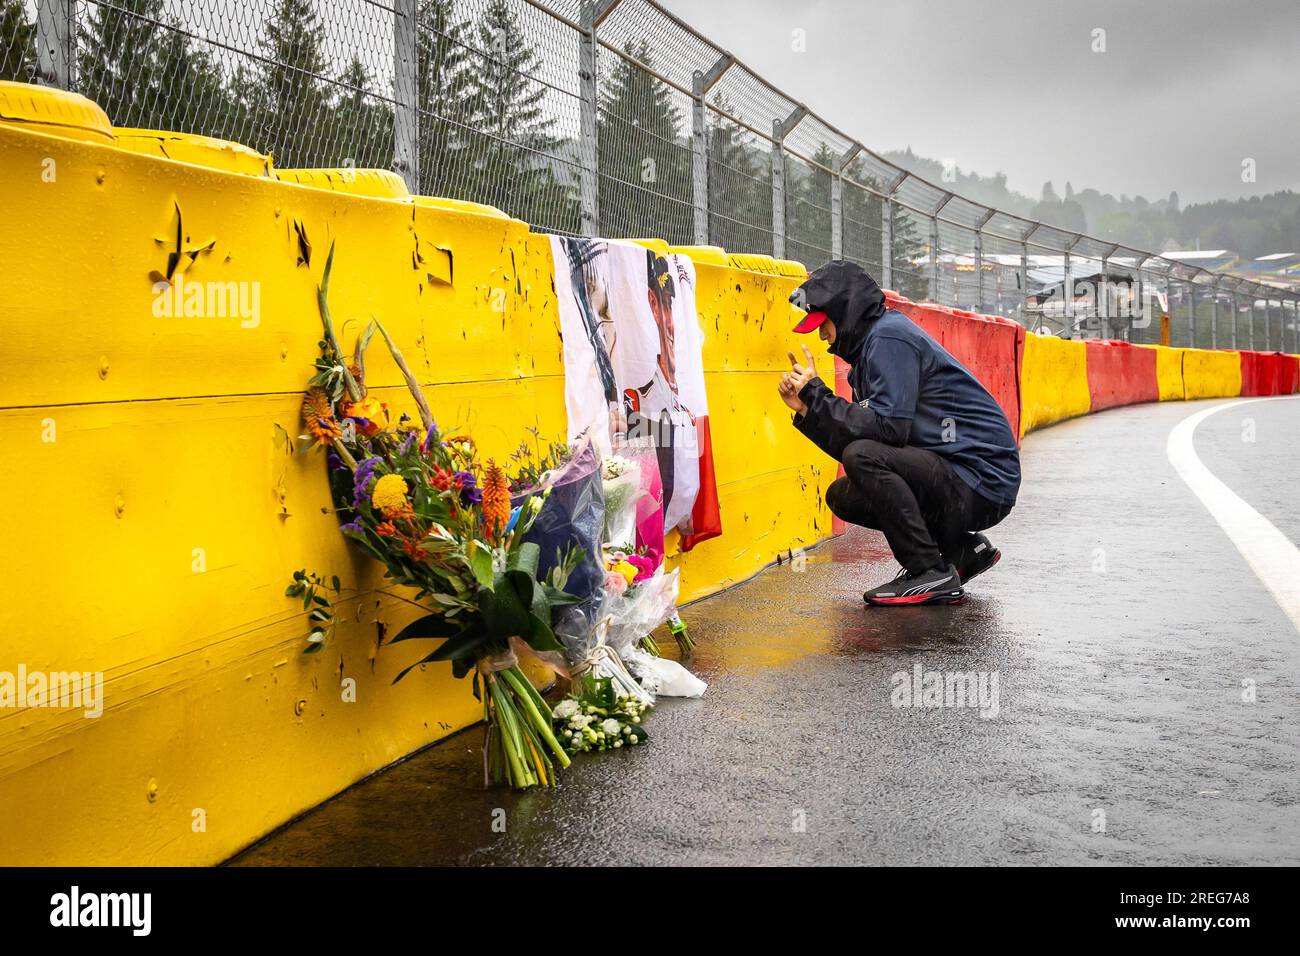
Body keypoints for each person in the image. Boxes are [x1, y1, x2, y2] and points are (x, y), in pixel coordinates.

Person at [778, 260, 1020, 606]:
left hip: (983, 481)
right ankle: (962, 551)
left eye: (823, 323)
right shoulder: (871, 350)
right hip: (961, 476)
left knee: (862, 457)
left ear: (844, 311)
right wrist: (807, 409)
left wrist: (818, 395)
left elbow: (887, 432)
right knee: (844, 494)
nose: (821, 335)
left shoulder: (889, 338)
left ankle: (928, 573)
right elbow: (866, 444)